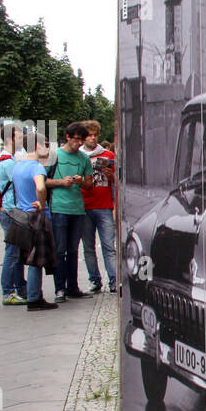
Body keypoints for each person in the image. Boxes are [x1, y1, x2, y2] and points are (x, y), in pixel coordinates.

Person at [45, 121, 93, 303]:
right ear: (67, 137)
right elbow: (42, 180)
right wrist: (60, 182)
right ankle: (59, 289)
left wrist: (81, 182)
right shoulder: (54, 155)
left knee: (73, 250)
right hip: (59, 208)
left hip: (77, 209)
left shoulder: (84, 158)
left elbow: (89, 184)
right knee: (60, 250)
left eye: (81, 140)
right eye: (76, 139)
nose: (79, 143)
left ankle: (72, 287)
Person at [11, 132, 58, 311]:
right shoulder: (37, 168)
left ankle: (31, 295)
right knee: (37, 259)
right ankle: (34, 298)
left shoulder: (18, 166)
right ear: (37, 145)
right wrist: (41, 201)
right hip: (36, 216)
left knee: (26, 256)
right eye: (45, 143)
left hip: (21, 215)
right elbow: (40, 186)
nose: (47, 147)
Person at [78, 123, 117, 293]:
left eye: (95, 135)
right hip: (84, 205)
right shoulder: (77, 156)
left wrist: (112, 176)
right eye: (89, 135)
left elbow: (118, 180)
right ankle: (94, 280)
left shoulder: (108, 155)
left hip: (103, 205)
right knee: (88, 247)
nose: (93, 138)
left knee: (109, 245)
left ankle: (114, 279)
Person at [0, 124, 27, 304]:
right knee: (12, 253)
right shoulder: (7, 162)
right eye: (20, 137)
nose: (22, 140)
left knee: (16, 252)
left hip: (10, 211)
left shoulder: (8, 159)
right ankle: (8, 292)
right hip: (11, 212)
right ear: (9, 139)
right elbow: (12, 191)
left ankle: (20, 287)